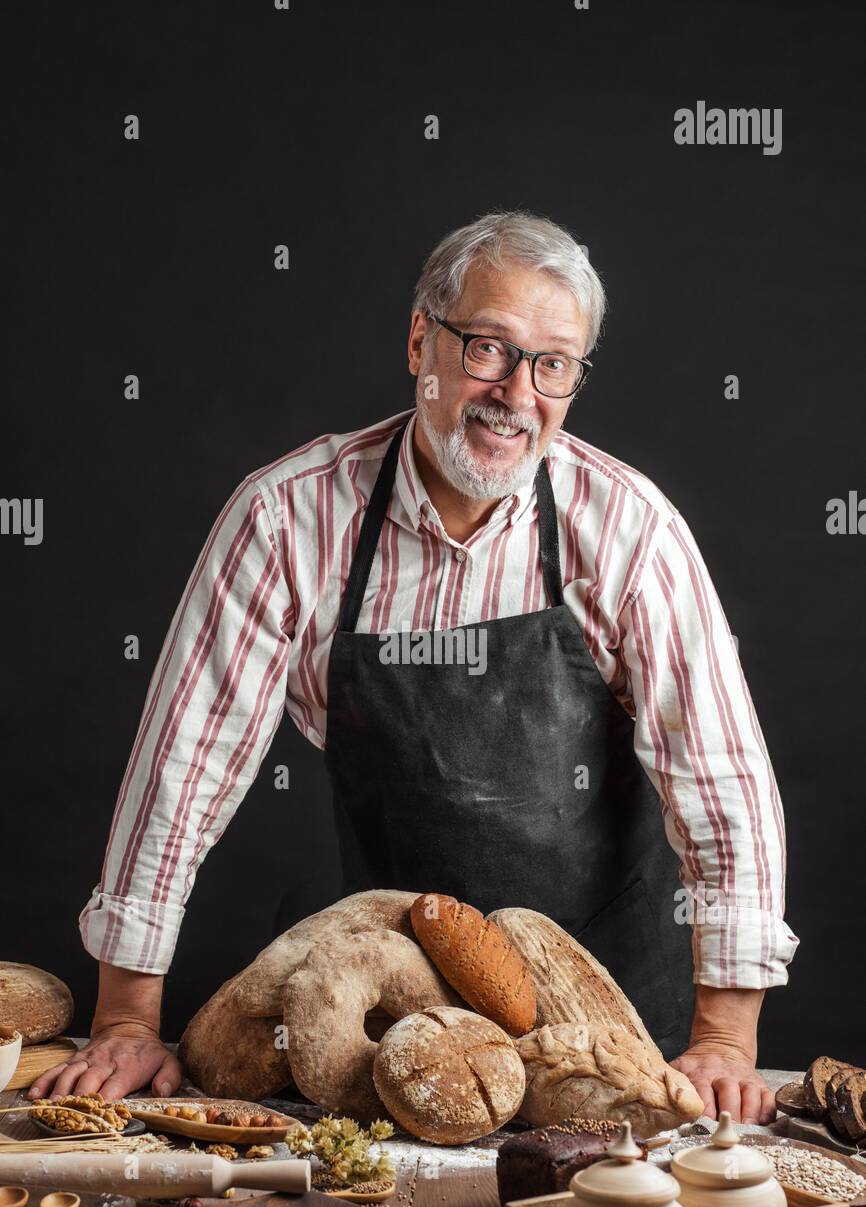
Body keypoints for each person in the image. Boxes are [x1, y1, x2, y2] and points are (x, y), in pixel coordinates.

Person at [31, 212, 798, 1123]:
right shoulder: (288, 522)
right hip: (390, 1026)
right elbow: (182, 772)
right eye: (488, 349)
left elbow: (722, 785)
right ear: (419, 340)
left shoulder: (631, 530)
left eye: (554, 364)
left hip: (615, 1030)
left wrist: (725, 1040)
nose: (517, 393)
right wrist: (124, 1016)